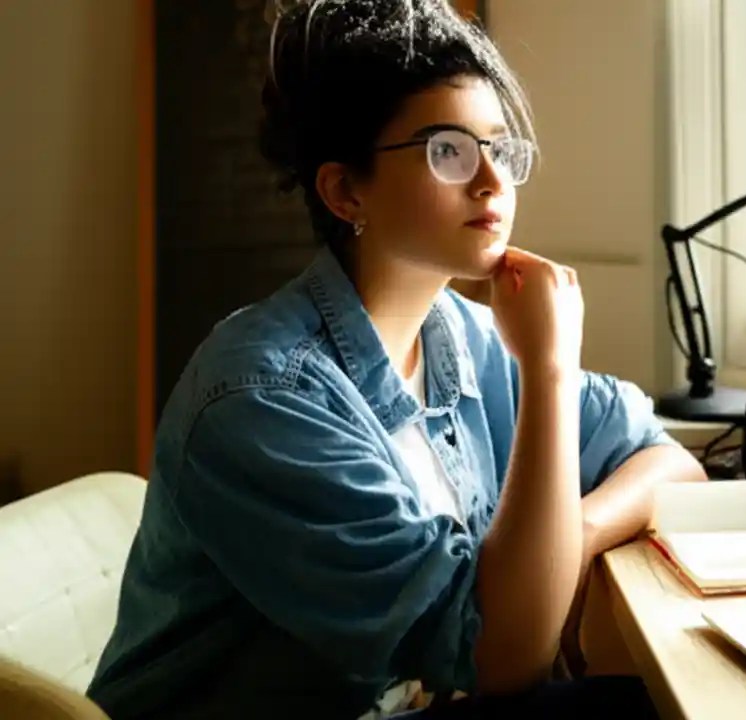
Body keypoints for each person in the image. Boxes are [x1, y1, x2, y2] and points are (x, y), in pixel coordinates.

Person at [86, 1, 705, 717]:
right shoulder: (261, 397)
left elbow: (667, 462)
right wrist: (551, 369)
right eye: (449, 151)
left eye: (499, 149)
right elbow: (505, 655)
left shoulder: (464, 337)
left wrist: (575, 534)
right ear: (346, 189)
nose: (492, 182)